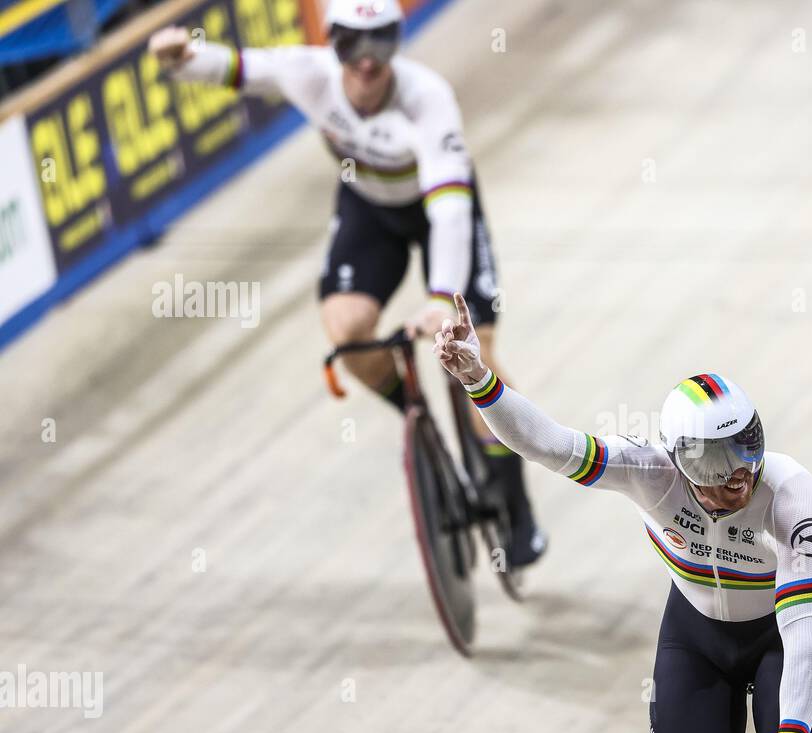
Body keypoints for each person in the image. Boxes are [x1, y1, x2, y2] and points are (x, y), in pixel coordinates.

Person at [433, 292, 812, 733]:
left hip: (779, 640)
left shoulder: (790, 492)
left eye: (744, 457)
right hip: (696, 639)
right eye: (713, 468)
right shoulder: (649, 473)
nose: (736, 483)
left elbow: (805, 626)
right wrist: (479, 378)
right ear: (679, 461)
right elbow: (549, 444)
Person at [147, 0, 545, 566]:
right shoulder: (307, 73)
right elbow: (238, 69)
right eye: (351, 46)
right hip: (370, 208)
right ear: (331, 44)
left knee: (474, 352)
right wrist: (180, 58)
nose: (365, 62)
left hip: (441, 210)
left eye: (379, 43)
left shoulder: (426, 99)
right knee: (349, 337)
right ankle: (422, 430)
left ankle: (515, 499)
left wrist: (439, 300)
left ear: (396, 42)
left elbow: (452, 216)